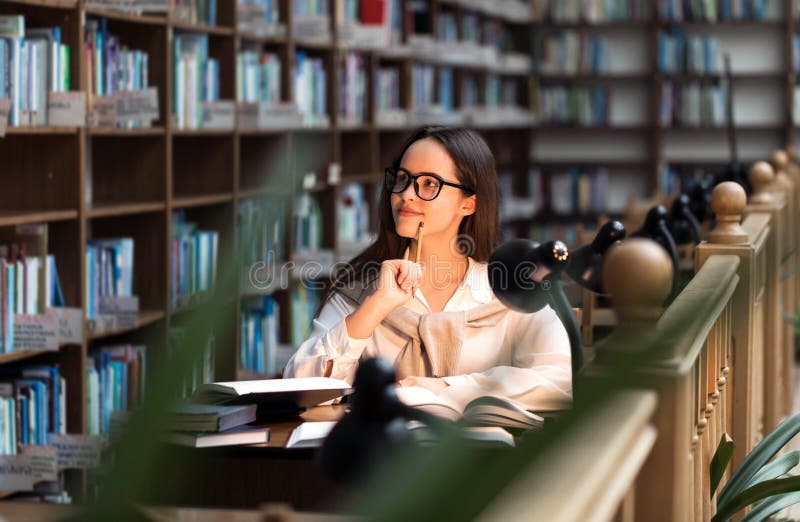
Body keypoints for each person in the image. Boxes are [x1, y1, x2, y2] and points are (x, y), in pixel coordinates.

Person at [284, 126, 571, 411]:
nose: (406, 194)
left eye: (429, 184)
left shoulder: (509, 289)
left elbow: (561, 379)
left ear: (469, 204)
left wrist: (447, 388)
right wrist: (376, 306)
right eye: (402, 179)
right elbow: (300, 390)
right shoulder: (362, 291)